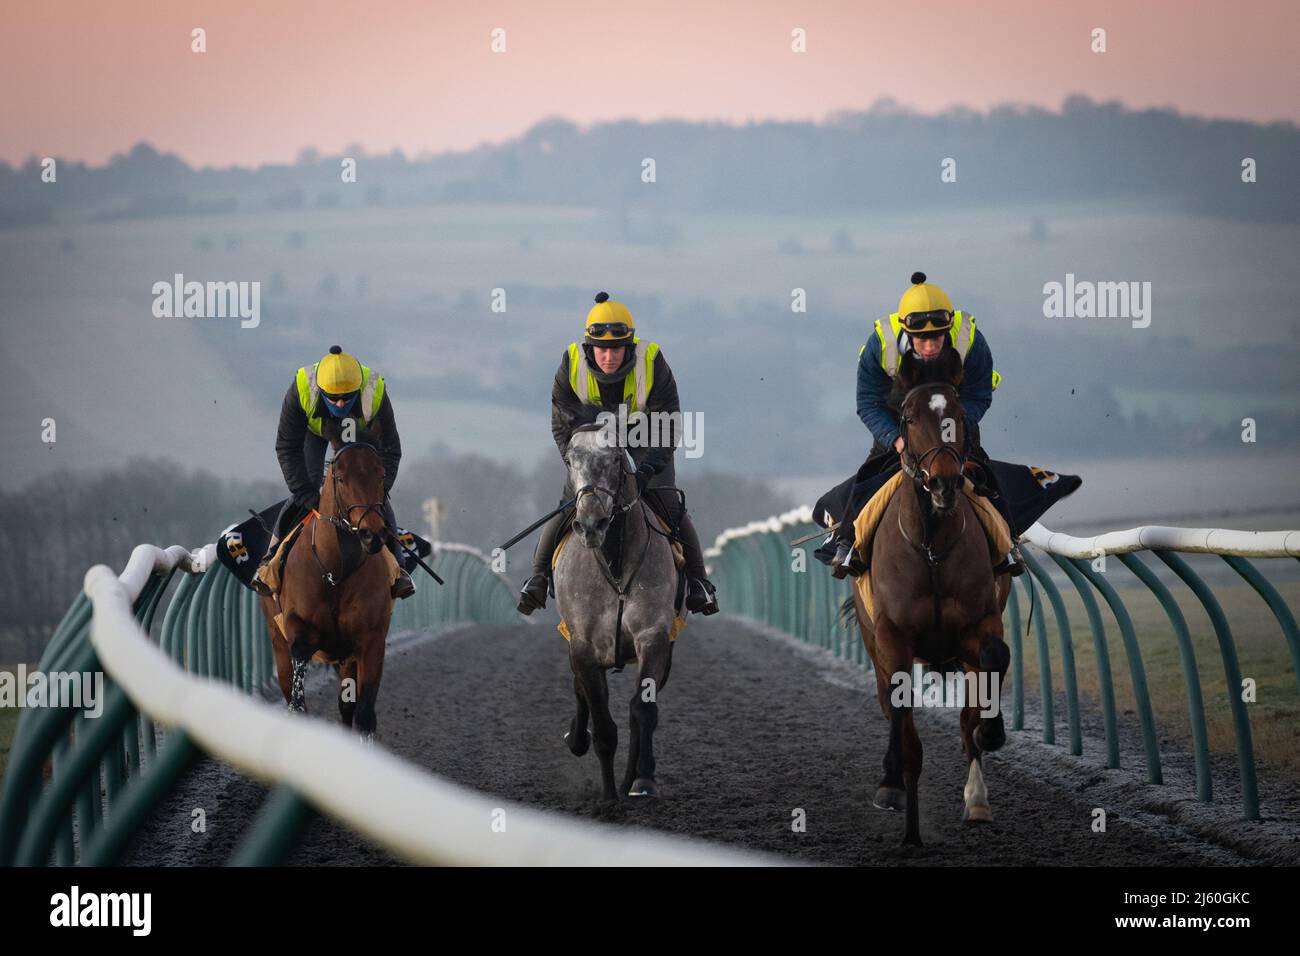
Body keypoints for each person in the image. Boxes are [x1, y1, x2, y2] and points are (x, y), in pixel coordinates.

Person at [516, 292, 719, 616]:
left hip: (647, 437)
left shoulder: (652, 361)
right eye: (601, 349)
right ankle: (538, 578)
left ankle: (698, 583)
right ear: (589, 348)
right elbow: (562, 426)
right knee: (572, 503)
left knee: (668, 504)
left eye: (616, 349)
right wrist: (578, 465)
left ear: (629, 346)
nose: (608, 356)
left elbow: (670, 426)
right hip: (591, 438)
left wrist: (646, 471)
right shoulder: (570, 363)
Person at [823, 272, 1022, 578]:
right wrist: (896, 439)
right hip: (901, 424)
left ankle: (1008, 545)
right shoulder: (881, 343)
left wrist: (953, 428)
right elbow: (868, 403)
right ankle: (847, 542)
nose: (930, 347)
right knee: (870, 478)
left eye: (937, 338)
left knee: (986, 480)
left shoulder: (971, 339)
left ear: (947, 329)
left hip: (954, 422)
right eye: (922, 339)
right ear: (906, 331)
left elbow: (979, 393)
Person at [252, 345, 415, 599]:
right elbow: (287, 446)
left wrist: (378, 489)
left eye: (346, 398)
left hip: (361, 436)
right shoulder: (302, 389)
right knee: (303, 493)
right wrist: (304, 492)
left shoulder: (375, 391)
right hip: (313, 433)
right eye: (333, 398)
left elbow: (391, 450)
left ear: (358, 390)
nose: (340, 403)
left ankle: (399, 569)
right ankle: (270, 563)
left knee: (373, 498)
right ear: (321, 391)